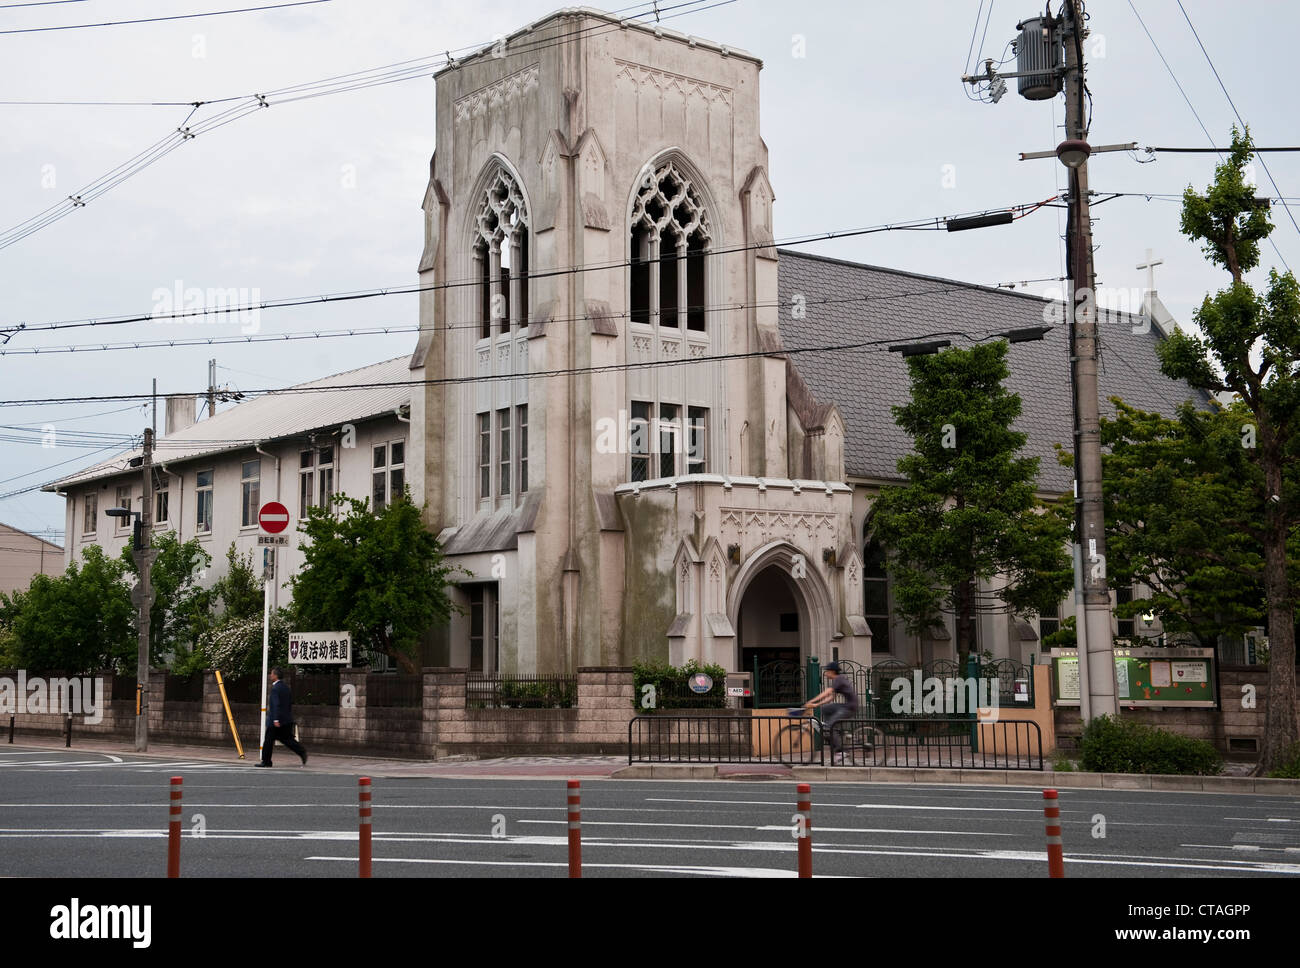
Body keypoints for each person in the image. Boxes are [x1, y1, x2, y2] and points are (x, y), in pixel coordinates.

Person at [804, 662, 859, 765]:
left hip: (850, 707)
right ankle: (830, 729)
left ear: (832, 671)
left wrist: (811, 701)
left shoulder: (839, 679)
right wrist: (817, 705)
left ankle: (840, 752)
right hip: (847, 705)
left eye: (827, 671)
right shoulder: (838, 680)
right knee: (825, 708)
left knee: (829, 727)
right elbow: (831, 697)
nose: (825, 674)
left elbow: (827, 692)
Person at [256, 667, 307, 767]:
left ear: (275, 676)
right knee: (287, 739)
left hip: (276, 720)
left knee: (268, 741)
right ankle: (301, 751)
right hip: (286, 719)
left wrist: (275, 719)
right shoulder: (285, 687)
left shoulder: (275, 688)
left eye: (271, 674)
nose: (270, 675)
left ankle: (266, 761)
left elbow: (276, 704)